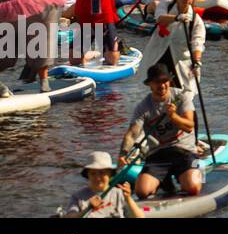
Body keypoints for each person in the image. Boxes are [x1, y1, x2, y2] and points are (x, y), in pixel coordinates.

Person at [121, 63, 201, 200]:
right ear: (149, 85)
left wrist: (174, 117)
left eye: (165, 81)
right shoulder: (143, 107)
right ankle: (163, 181)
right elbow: (133, 133)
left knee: (193, 188)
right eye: (157, 82)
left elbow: (189, 126)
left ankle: (187, 176)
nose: (162, 86)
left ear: (169, 81)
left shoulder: (181, 97)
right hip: (158, 153)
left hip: (185, 151)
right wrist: (123, 153)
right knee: (142, 192)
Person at [59, 151, 143, 219]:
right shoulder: (78, 196)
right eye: (93, 173)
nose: (98, 178)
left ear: (110, 174)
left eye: (102, 173)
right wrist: (88, 209)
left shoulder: (119, 194)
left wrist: (128, 198)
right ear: (87, 175)